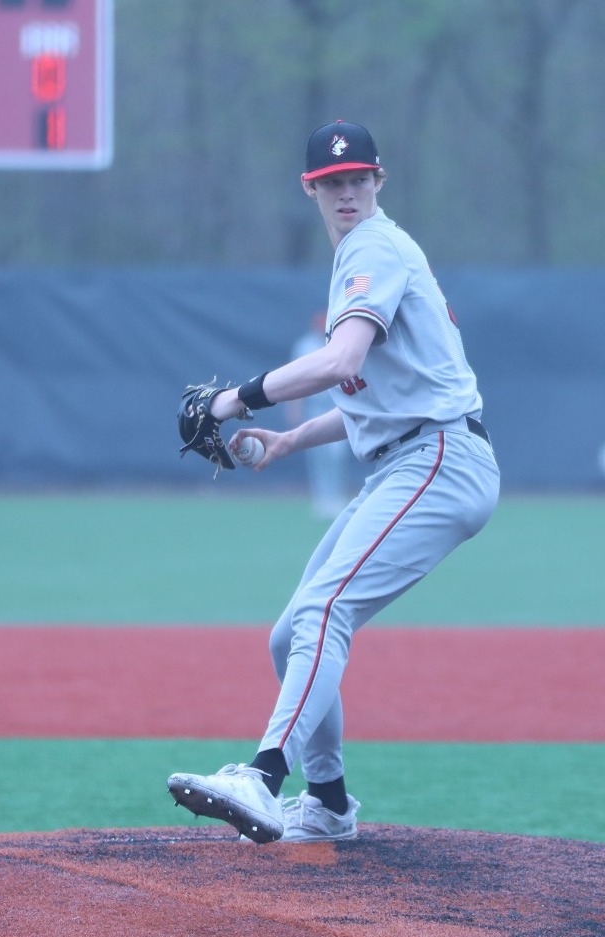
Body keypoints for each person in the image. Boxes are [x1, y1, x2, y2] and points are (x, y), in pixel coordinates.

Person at [166, 120, 500, 844]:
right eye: (331, 183)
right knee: (290, 635)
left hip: (438, 459)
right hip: (416, 456)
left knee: (324, 610)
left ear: (378, 181)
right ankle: (326, 801)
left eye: (357, 179)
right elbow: (374, 399)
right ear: (310, 189)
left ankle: (262, 778)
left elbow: (339, 360)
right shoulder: (367, 253)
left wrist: (232, 400)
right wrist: (290, 439)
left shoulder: (374, 247)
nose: (346, 192)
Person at [289, 310, 363, 518]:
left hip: (338, 407)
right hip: (314, 407)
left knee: (337, 456)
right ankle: (322, 497)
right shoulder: (305, 345)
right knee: (318, 457)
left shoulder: (339, 342)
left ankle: (336, 495)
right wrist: (295, 408)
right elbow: (294, 379)